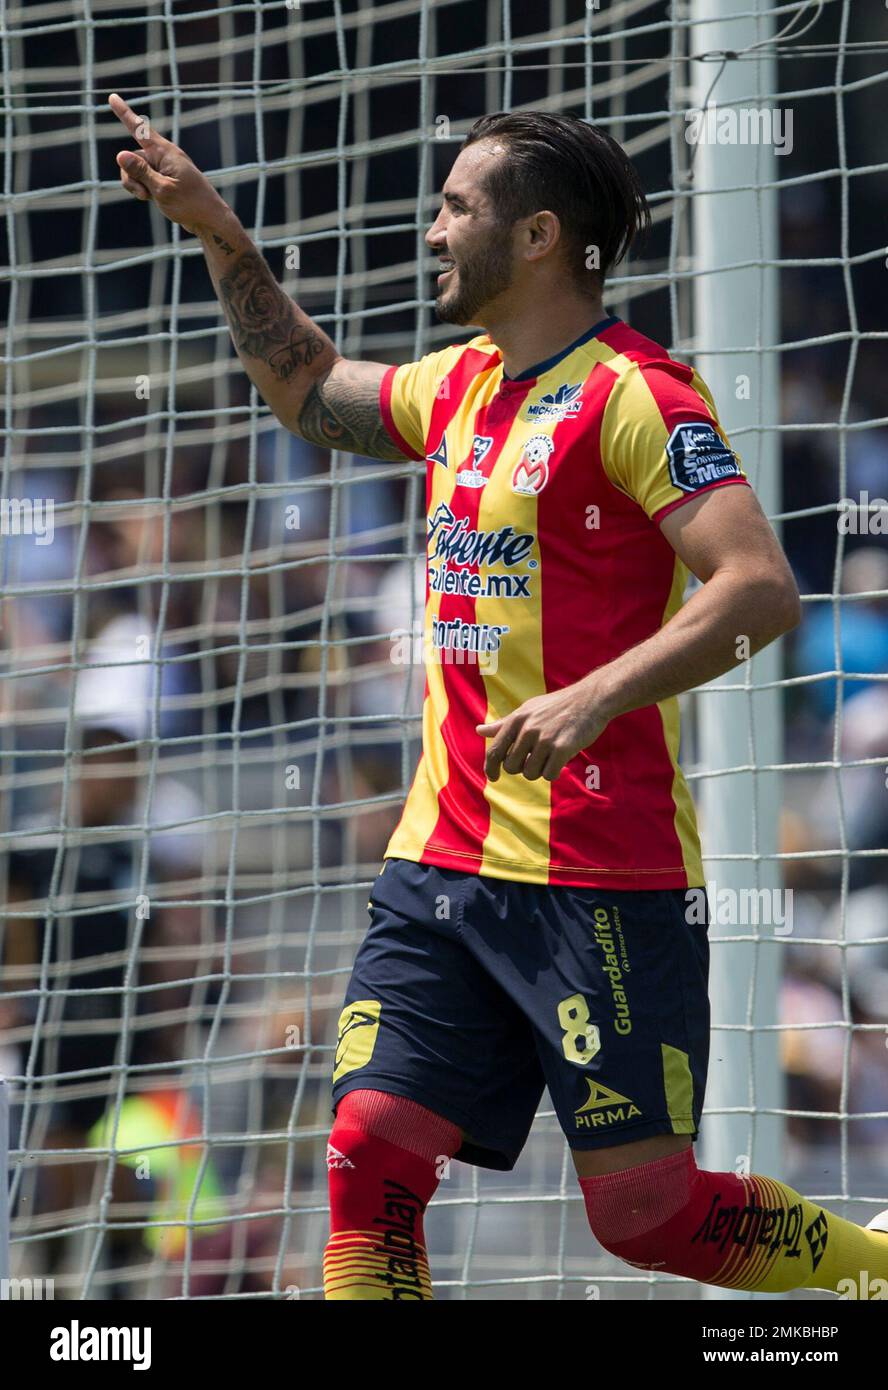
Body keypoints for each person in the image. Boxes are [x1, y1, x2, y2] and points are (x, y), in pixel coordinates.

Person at [108, 97, 888, 1300]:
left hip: (599, 875)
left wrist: (590, 699)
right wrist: (217, 230)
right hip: (441, 862)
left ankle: (870, 1275)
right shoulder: (459, 384)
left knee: (648, 1215)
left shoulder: (641, 397)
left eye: (455, 206)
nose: (430, 230)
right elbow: (309, 392)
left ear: (533, 237)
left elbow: (759, 588)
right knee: (370, 1149)